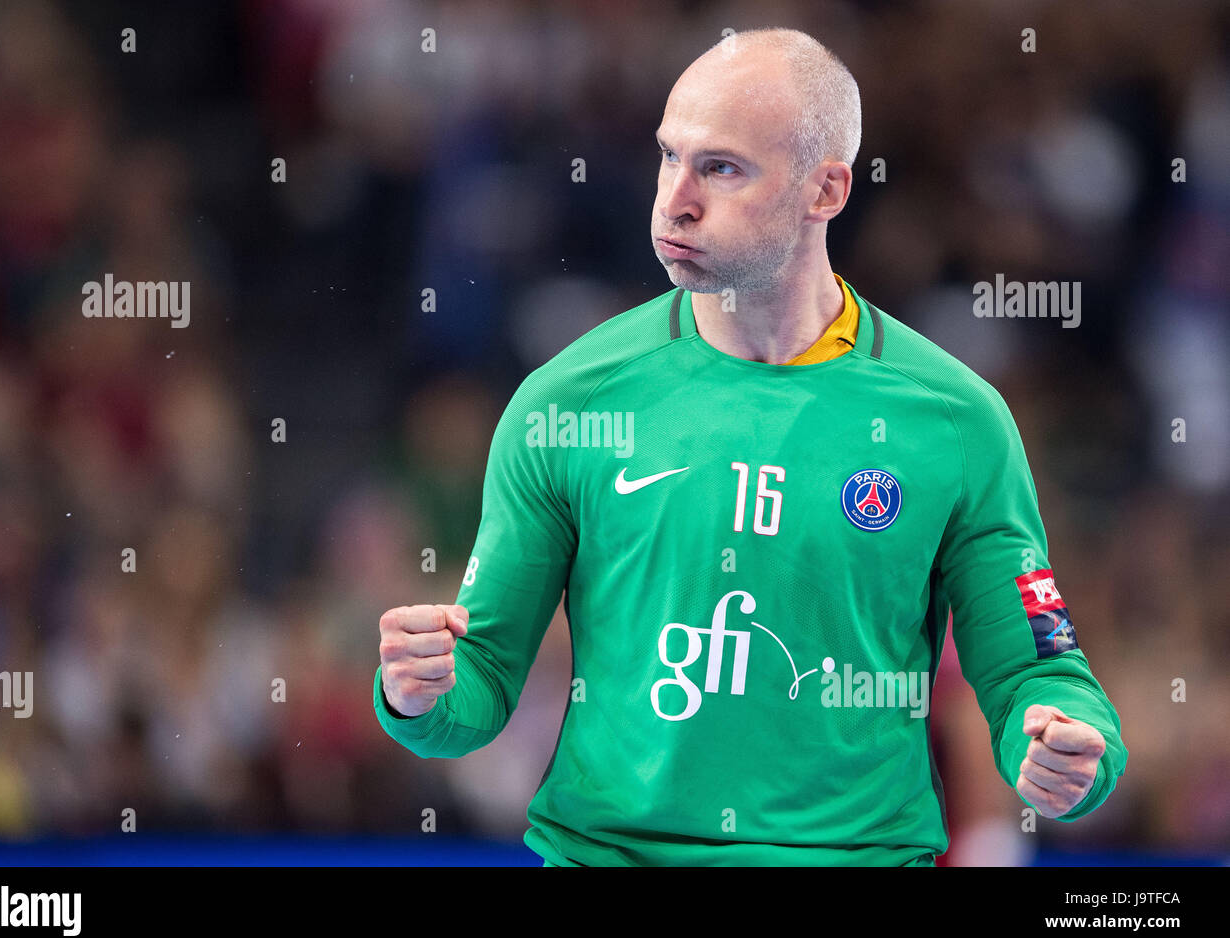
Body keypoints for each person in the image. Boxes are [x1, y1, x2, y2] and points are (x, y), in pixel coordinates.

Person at [373, 27, 1126, 866]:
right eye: (668, 157)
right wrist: (418, 694)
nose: (674, 200)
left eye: (721, 168)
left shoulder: (957, 421)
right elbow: (477, 691)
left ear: (826, 190)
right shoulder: (566, 403)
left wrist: (1073, 748)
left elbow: (1039, 672)